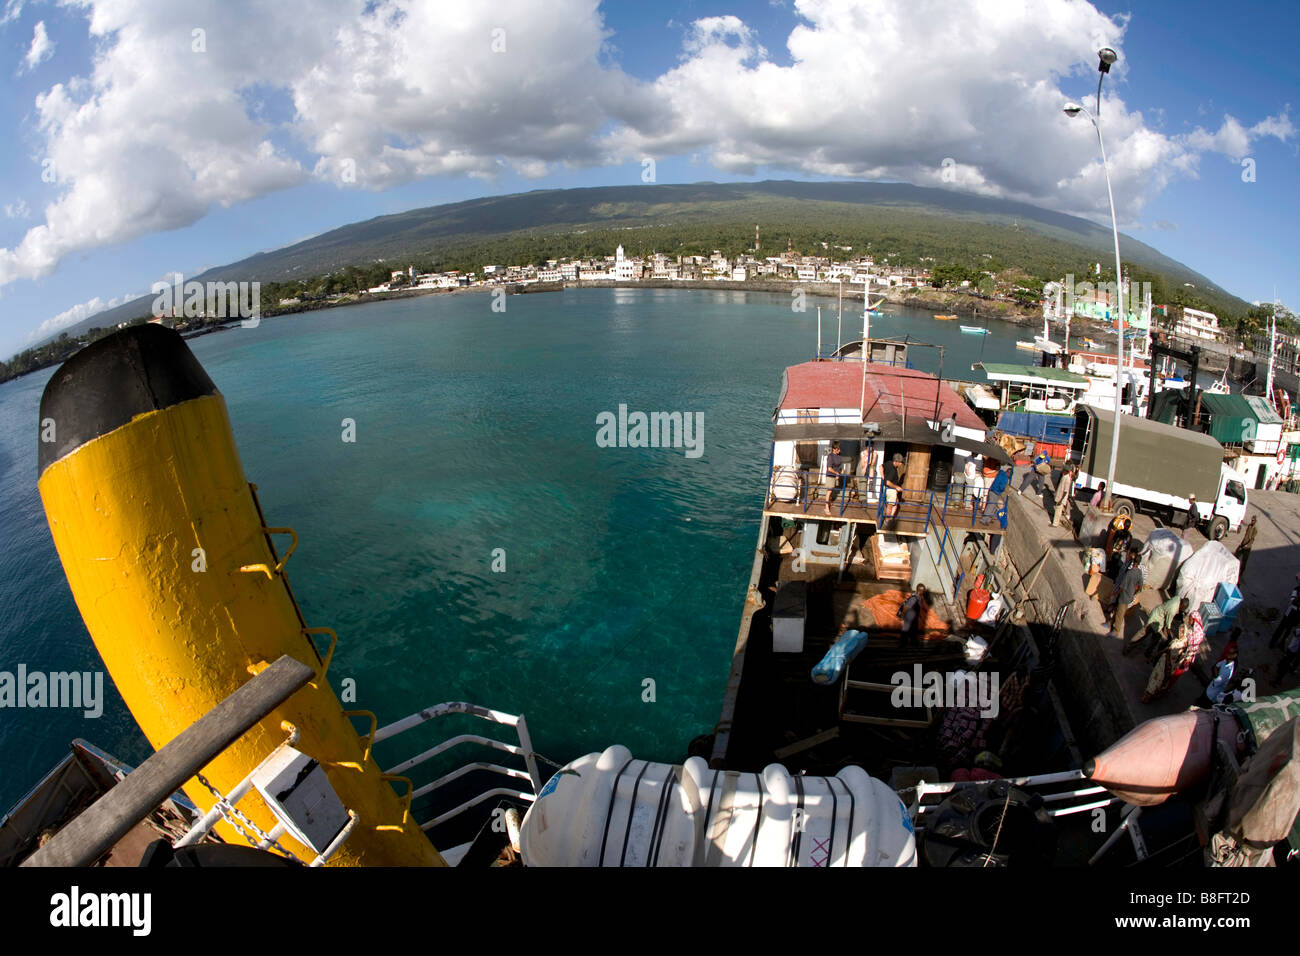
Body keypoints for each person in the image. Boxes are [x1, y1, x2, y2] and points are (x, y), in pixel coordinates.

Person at [1142, 605, 1206, 704]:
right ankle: (1157, 692)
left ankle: (1152, 695)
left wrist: (1155, 657)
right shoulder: (1184, 639)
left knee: (1160, 680)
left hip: (1171, 664)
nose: (1180, 632)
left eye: (1182, 631)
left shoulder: (1183, 642)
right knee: (1161, 680)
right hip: (1170, 663)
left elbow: (1172, 651)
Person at [1125, 595, 1188, 660]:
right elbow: (1168, 625)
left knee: (1156, 637)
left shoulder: (1177, 598)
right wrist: (1169, 636)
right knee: (1144, 633)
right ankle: (1129, 646)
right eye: (1182, 608)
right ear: (1181, 606)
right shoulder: (1172, 610)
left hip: (1158, 616)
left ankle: (1148, 652)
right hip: (1155, 619)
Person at [1107, 543, 1146, 638]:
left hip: (1123, 596)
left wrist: (1115, 594)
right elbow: (1141, 586)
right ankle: (1110, 622)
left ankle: (1116, 631)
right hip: (1129, 596)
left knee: (1119, 614)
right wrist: (1134, 593)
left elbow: (1122, 587)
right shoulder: (1139, 572)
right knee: (1117, 610)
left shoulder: (1129, 572)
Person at [1271, 574, 1300, 649]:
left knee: (1288, 631)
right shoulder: (1297, 589)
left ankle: (1282, 643)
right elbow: (1293, 601)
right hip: (1290, 613)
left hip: (1297, 615)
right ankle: (1272, 642)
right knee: (1281, 628)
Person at [898, 583, 926, 648]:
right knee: (905, 630)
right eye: (923, 591)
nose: (924, 592)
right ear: (920, 590)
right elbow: (906, 607)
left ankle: (914, 642)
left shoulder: (919, 597)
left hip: (914, 618)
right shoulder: (914, 598)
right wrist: (902, 616)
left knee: (914, 630)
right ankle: (903, 644)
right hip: (909, 618)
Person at [1053, 463, 1078, 530]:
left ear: (1066, 471)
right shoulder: (1064, 476)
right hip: (1059, 496)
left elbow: (1065, 491)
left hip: (1061, 498)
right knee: (1057, 510)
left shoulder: (1067, 479)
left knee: (1058, 511)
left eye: (1063, 469)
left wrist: (1061, 500)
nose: (1062, 470)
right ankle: (1055, 522)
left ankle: (1055, 524)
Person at [822, 441, 845, 516]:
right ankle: (826, 507)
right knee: (829, 491)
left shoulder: (839, 456)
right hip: (830, 475)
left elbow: (839, 466)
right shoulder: (830, 456)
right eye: (838, 449)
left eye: (839, 449)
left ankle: (829, 503)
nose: (839, 450)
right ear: (834, 449)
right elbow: (829, 468)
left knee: (832, 491)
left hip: (835, 475)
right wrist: (836, 473)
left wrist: (840, 472)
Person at [883, 452, 905, 526]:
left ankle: (891, 518)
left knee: (896, 502)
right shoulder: (893, 471)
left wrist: (883, 477)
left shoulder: (889, 463)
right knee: (890, 506)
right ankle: (887, 520)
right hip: (890, 489)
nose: (901, 464)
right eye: (900, 462)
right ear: (896, 461)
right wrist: (897, 487)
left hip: (887, 488)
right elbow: (888, 482)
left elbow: (880, 467)